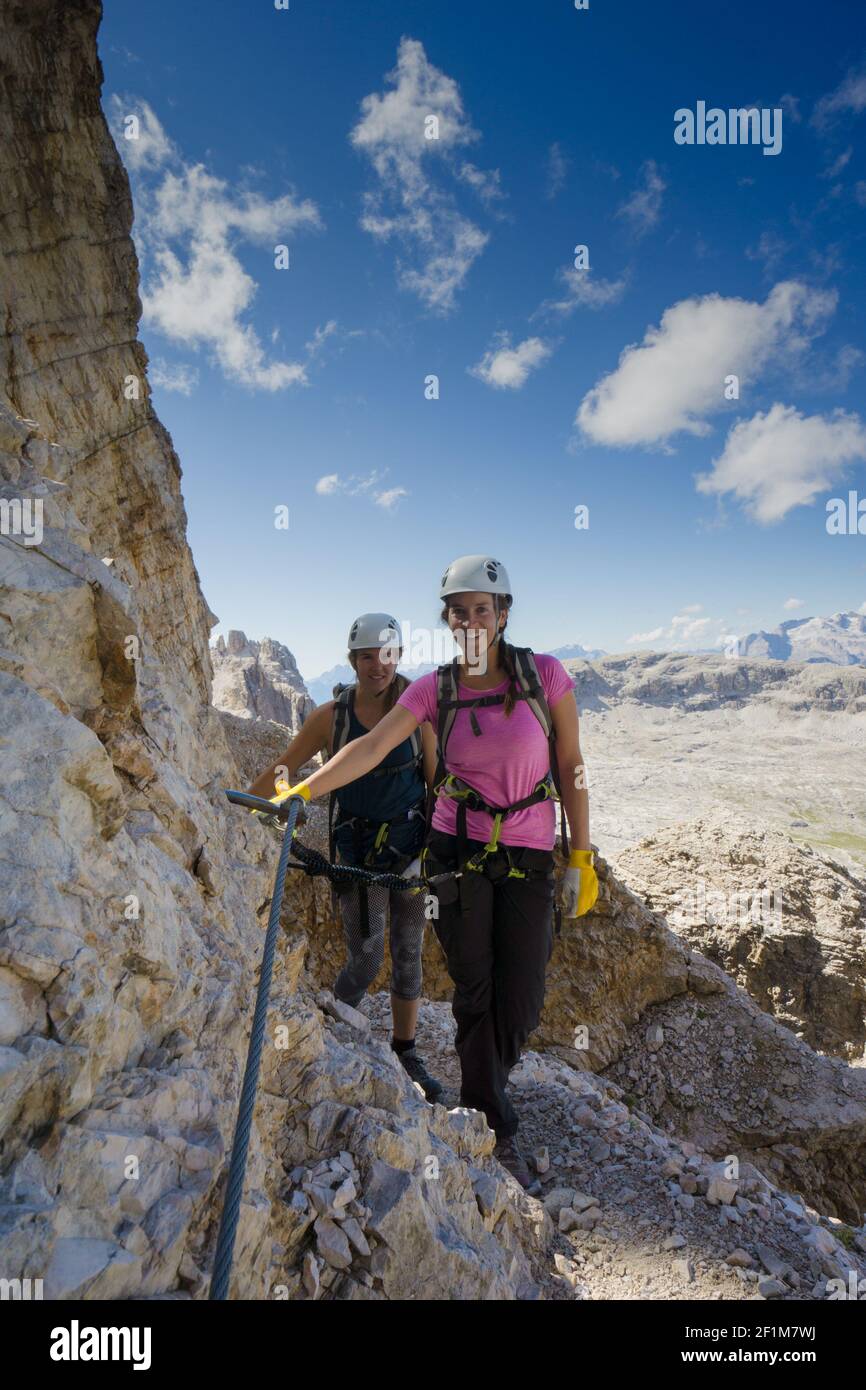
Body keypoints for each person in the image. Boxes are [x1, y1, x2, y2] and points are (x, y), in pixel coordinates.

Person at [261, 560, 599, 1194]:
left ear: (503, 613)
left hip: (527, 854)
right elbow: (367, 749)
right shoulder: (433, 691)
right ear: (446, 620)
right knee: (474, 989)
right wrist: (299, 794)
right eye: (457, 610)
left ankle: (487, 1080)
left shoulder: (544, 675)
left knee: (521, 997)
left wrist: (580, 855)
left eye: (481, 608)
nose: (469, 620)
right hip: (456, 852)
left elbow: (572, 763)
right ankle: (490, 1122)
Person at [247, 613, 443, 1101]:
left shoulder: (419, 711)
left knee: (407, 951)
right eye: (366, 656)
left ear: (398, 657)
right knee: (366, 953)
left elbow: (437, 783)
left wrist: (440, 849)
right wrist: (246, 806)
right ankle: (332, 1033)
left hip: (410, 849)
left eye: (387, 655)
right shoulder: (331, 717)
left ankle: (404, 1050)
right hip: (355, 851)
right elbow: (283, 766)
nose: (377, 665)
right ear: (353, 660)